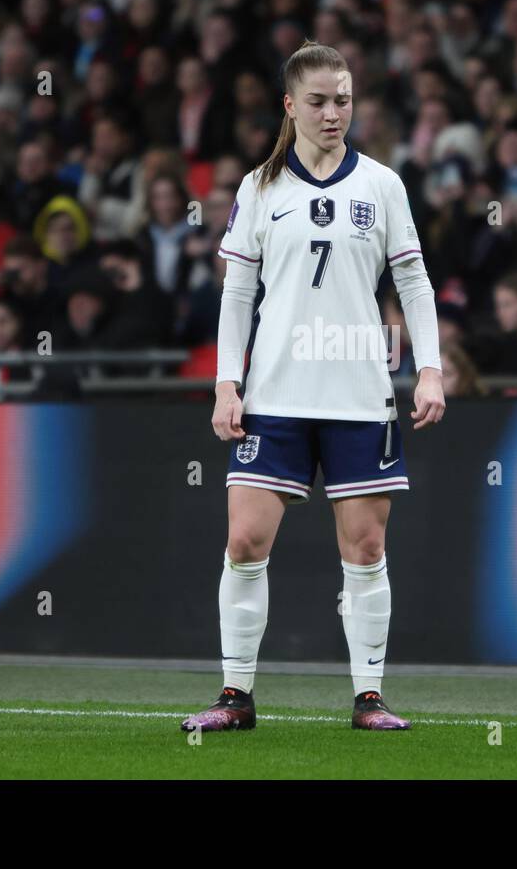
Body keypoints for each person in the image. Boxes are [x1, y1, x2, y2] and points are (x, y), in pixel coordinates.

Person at [182, 41, 445, 734]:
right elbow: (238, 294)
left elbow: (413, 281)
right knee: (244, 542)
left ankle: (369, 698)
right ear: (290, 105)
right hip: (274, 394)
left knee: (365, 550)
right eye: (321, 101)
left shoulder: (383, 185)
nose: (334, 113)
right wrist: (225, 384)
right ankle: (236, 697)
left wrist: (432, 369)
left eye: (345, 99)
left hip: (358, 392)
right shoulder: (259, 188)